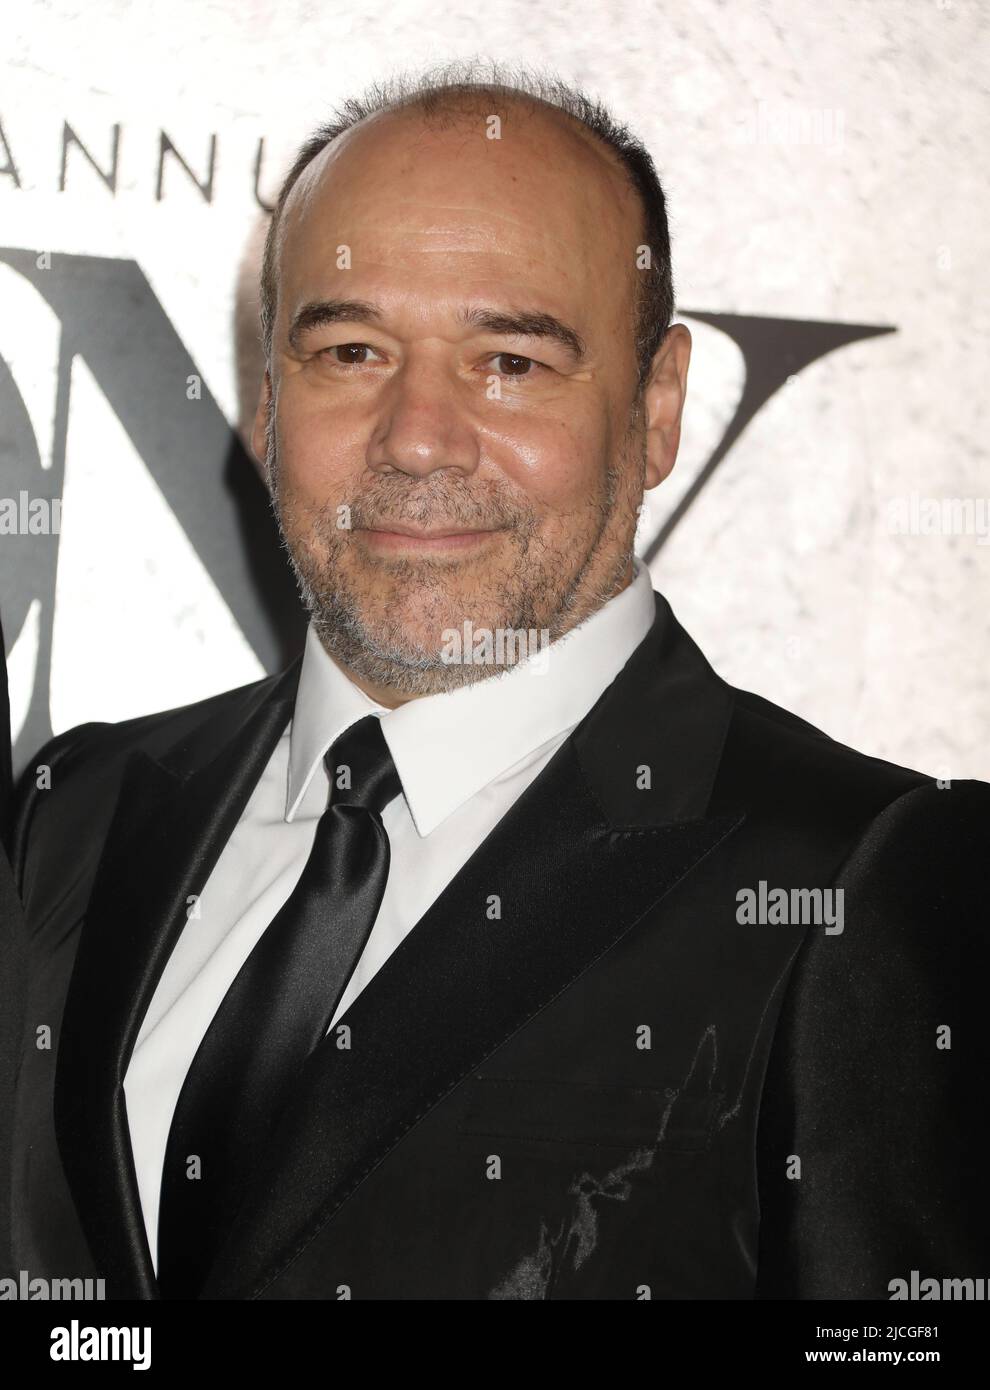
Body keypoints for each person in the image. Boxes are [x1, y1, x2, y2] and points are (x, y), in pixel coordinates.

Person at [7, 62, 990, 1301]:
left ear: (658, 405)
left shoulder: (856, 880)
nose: (418, 437)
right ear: (270, 397)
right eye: (351, 348)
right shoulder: (74, 815)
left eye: (512, 361)